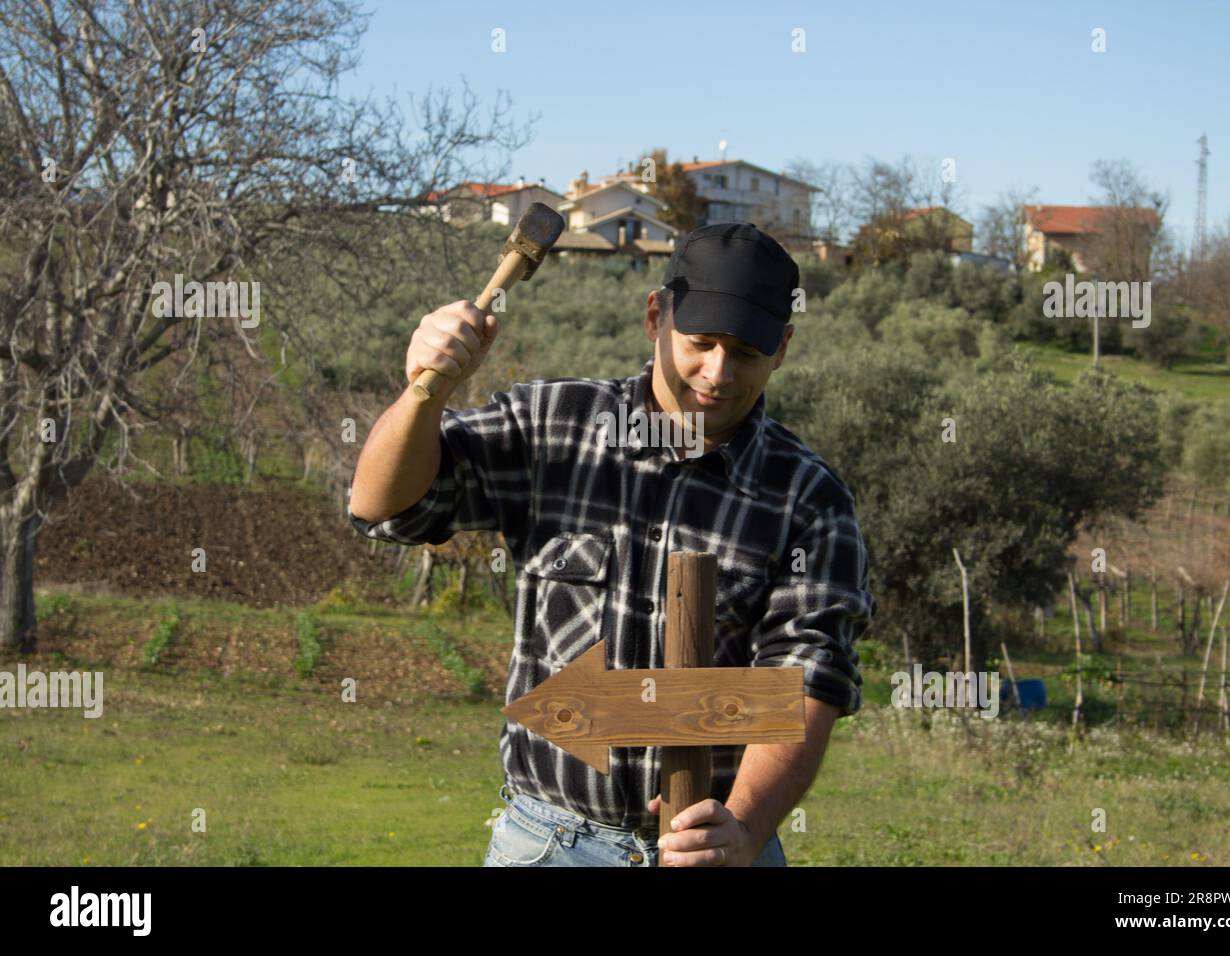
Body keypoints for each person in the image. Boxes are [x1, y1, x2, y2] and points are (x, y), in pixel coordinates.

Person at [348, 222, 874, 866]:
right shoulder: (553, 428)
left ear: (783, 348)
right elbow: (384, 509)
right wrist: (424, 392)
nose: (718, 372)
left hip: (717, 847)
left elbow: (805, 680)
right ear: (656, 316)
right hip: (551, 843)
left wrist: (744, 826)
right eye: (701, 342)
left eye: (745, 352)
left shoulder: (809, 497)